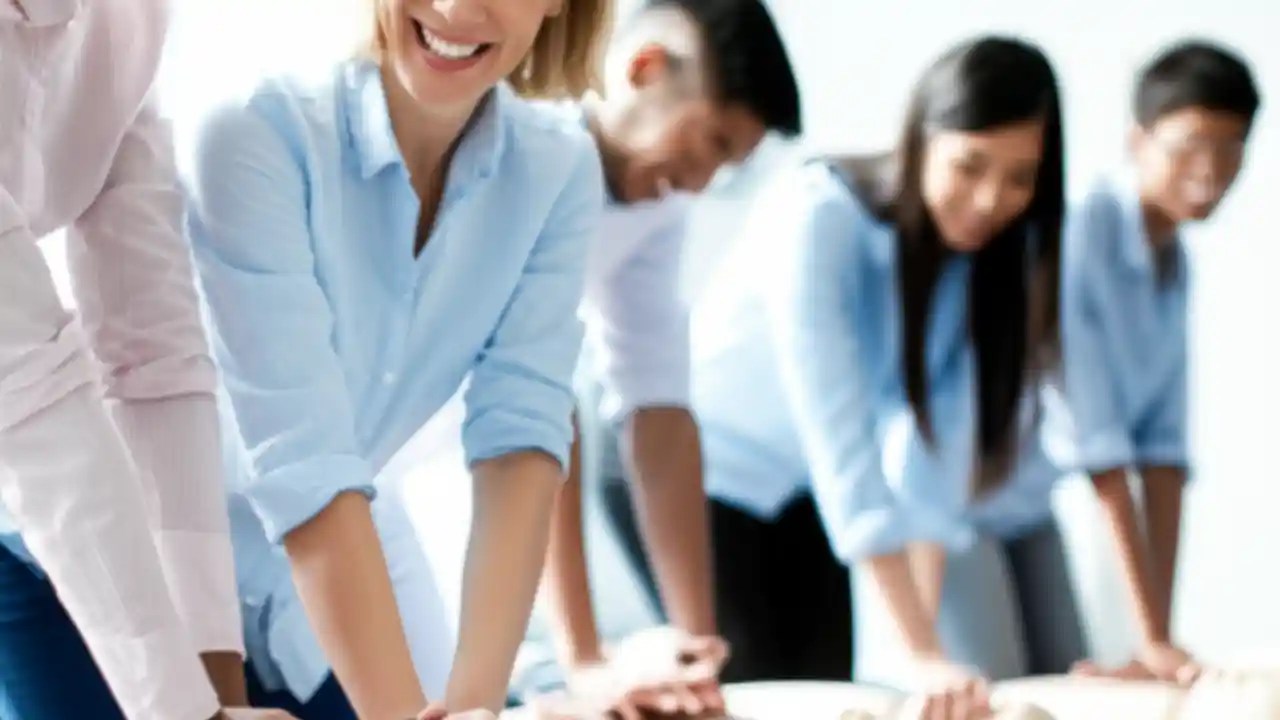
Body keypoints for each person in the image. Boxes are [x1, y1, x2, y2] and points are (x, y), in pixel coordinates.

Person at [183, 0, 611, 718]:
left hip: (318, 559)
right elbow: (304, 460)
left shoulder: (558, 170)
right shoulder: (256, 128)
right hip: (124, 564)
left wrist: (474, 706)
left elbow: (521, 436)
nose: (453, 8)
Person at [689, 36, 1084, 710]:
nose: (992, 200)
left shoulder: (972, 263)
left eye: (1020, 178)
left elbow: (933, 467)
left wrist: (925, 655)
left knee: (834, 691)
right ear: (922, 139)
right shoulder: (817, 213)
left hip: (801, 494)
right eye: (971, 165)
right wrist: (927, 655)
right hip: (700, 472)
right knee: (754, 690)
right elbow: (841, 439)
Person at [0, 2, 292, 719]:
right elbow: (27, 393)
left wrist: (220, 687)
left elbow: (153, 341)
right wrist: (183, 710)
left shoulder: (132, 16)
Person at [530, 0, 802, 714]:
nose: (703, 181)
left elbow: (659, 411)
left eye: (727, 164)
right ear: (644, 69)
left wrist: (697, 648)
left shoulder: (655, 209)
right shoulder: (533, 143)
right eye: (710, 141)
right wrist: (584, 657)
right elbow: (536, 399)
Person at [1054, 39, 1260, 684]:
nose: (1211, 170)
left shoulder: (1177, 264)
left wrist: (1159, 638)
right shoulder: (1083, 231)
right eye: (1191, 145)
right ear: (1136, 140)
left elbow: (1163, 457)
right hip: (1024, 505)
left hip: (1088, 514)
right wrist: (1146, 636)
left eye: (1232, 148)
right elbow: (1103, 453)